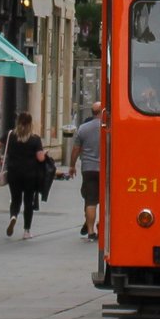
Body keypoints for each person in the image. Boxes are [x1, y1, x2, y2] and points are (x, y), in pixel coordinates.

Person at [0, 111, 46, 239]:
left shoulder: (10, 135)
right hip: (30, 175)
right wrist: (44, 154)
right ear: (30, 124)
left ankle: (13, 216)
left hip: (13, 173)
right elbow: (40, 158)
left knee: (15, 199)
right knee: (28, 202)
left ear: (18, 122)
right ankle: (26, 231)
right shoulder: (35, 139)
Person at [70, 101, 102, 242]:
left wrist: (72, 166)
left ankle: (90, 231)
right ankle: (101, 226)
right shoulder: (109, 126)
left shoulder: (83, 128)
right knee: (107, 200)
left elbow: (76, 149)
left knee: (90, 200)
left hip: (88, 168)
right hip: (105, 169)